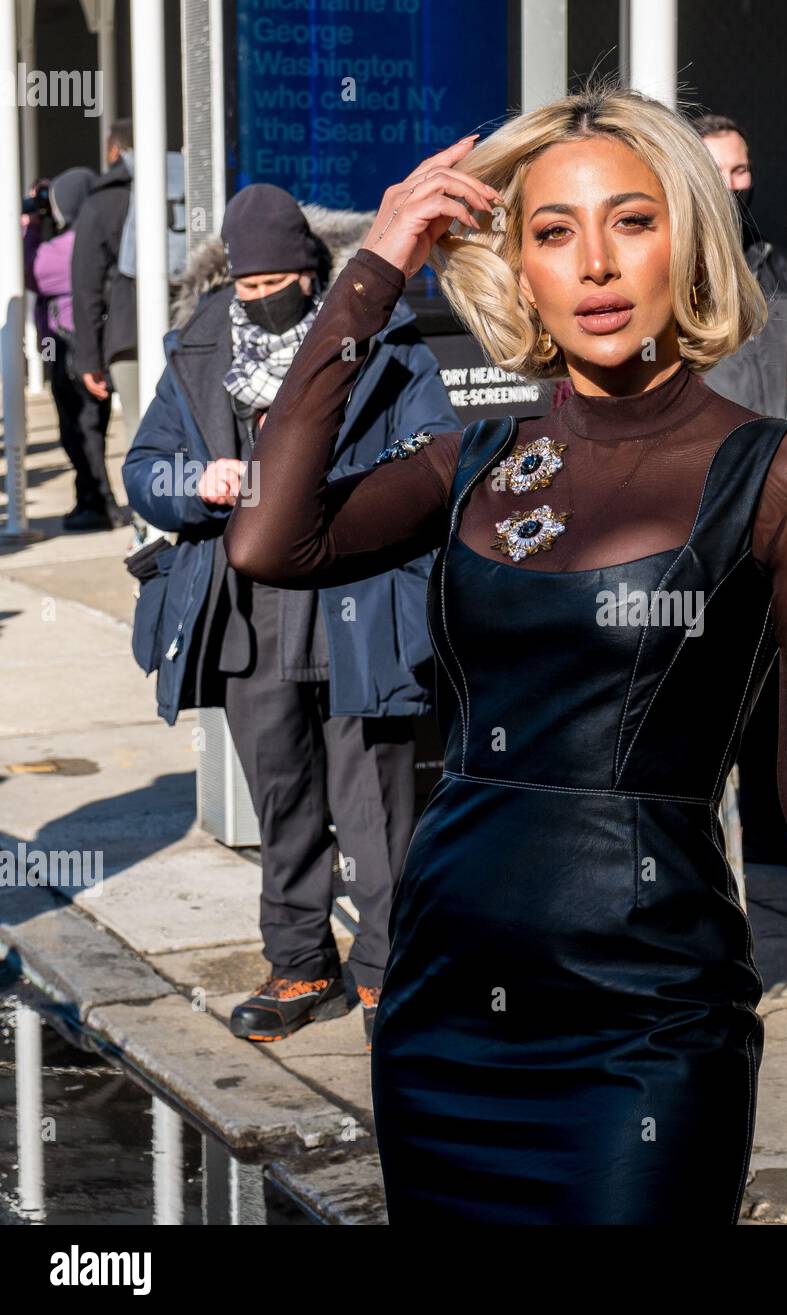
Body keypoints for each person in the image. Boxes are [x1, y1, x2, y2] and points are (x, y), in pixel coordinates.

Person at [224, 81, 787, 1224]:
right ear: (518, 266)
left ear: (690, 240)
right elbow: (271, 537)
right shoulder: (470, 460)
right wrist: (373, 266)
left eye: (632, 220)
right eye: (554, 233)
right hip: (446, 1014)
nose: (597, 267)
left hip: (649, 1028)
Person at [122, 184, 460, 1048]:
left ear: (313, 274)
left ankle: (392, 971)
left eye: (277, 281)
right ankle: (302, 963)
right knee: (285, 801)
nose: (260, 298)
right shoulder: (198, 351)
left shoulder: (380, 342)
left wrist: (346, 494)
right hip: (246, 614)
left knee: (380, 804)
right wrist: (198, 485)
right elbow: (143, 467)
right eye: (246, 285)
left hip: (359, 600)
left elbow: (434, 447)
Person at [693, 111, 787, 871]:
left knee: (777, 673)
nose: (734, 185)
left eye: (741, 171)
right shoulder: (663, 270)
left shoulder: (781, 272)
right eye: (718, 172)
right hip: (695, 510)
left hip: (776, 501)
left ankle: (775, 834)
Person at [24, 166, 131, 531]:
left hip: (71, 351)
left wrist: (31, 228)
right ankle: (93, 499)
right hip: (71, 349)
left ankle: (98, 503)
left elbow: (28, 272)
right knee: (87, 430)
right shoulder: (82, 239)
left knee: (80, 431)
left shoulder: (63, 249)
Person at [71, 119, 140, 441]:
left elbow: (87, 287)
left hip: (127, 336)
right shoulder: (188, 186)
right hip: (189, 328)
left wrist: (88, 358)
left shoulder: (102, 200)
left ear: (114, 150)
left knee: (141, 435)